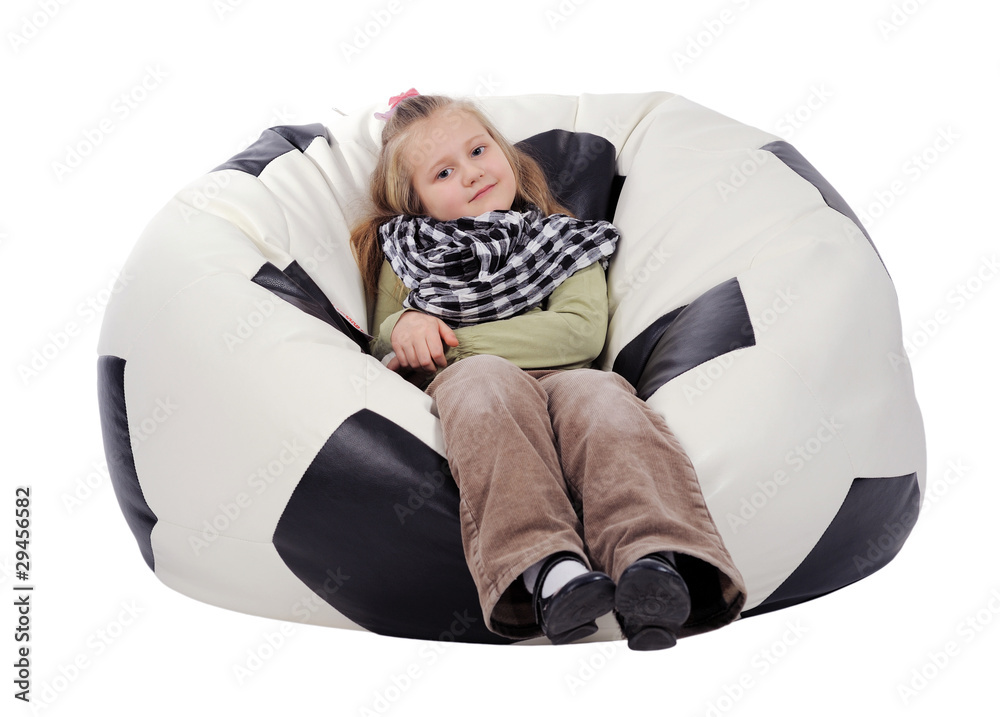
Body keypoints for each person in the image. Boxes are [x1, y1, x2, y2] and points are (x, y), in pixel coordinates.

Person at [350, 90, 746, 649]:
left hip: (563, 379)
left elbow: (579, 333)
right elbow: (383, 336)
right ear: (415, 201)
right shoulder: (407, 251)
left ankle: (656, 562)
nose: (471, 173)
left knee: (603, 394)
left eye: (479, 150)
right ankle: (550, 576)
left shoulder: (561, 239)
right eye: (443, 171)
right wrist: (403, 326)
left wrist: (450, 341)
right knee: (486, 383)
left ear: (505, 153)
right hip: (473, 386)